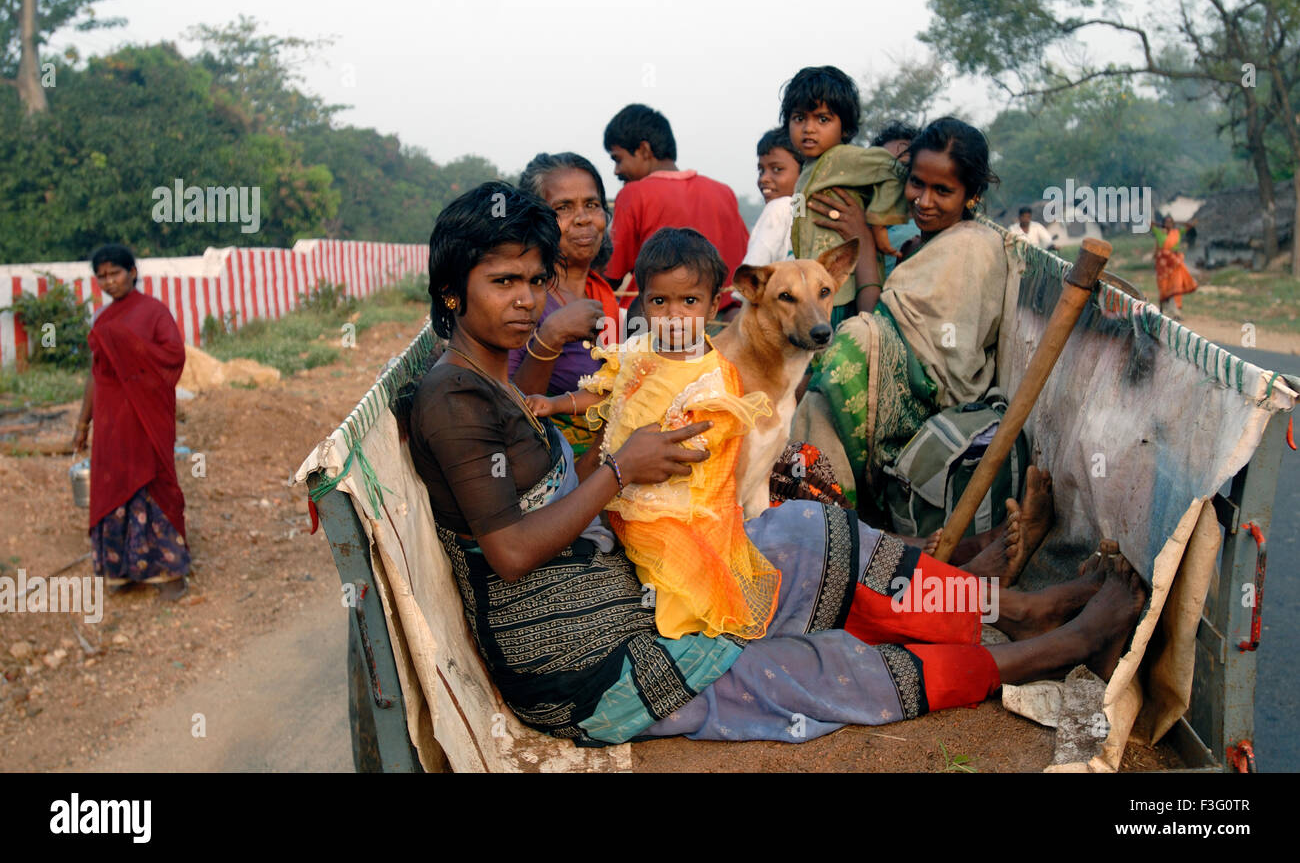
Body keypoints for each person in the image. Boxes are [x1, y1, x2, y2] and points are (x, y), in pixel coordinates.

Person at [408, 181, 1147, 748]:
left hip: (618, 591)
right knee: (826, 669)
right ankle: (1050, 646)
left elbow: (523, 420)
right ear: (452, 291)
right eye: (503, 283)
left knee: (807, 531)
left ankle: (1006, 609)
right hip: (587, 666)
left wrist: (543, 355)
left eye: (535, 282)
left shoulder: (486, 376)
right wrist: (620, 470)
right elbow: (507, 551)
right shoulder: (449, 400)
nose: (526, 300)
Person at [527, 228, 779, 641]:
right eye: (660, 301)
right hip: (614, 482)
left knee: (677, 579)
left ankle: (675, 633)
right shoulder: (638, 348)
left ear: (715, 304)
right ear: (642, 301)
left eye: (690, 302)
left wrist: (660, 455)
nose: (674, 315)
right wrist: (554, 404)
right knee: (589, 528)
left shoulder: (713, 378)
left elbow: (703, 447)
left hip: (672, 503)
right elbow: (604, 391)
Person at [792, 117, 1009, 513]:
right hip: (893, 381)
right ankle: (825, 518)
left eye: (942, 191)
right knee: (819, 391)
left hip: (931, 400)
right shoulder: (923, 243)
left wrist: (863, 246)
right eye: (917, 184)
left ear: (972, 195)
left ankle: (832, 523)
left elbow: (899, 334)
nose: (924, 202)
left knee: (854, 341)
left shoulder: (971, 248)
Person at [72, 245, 190, 600]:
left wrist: (128, 346)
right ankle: (122, 571)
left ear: (133, 272)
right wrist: (83, 424)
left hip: (145, 417)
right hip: (110, 421)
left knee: (153, 482)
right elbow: (95, 374)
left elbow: (173, 357)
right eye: (102, 276)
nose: (110, 282)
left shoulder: (153, 312)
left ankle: (168, 570)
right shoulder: (101, 319)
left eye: (116, 273)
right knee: (113, 487)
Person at [508, 152, 619, 457]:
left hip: (604, 459)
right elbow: (506, 409)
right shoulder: (525, 297)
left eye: (592, 205)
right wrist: (552, 336)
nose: (583, 218)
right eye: (563, 208)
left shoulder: (601, 292)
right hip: (554, 469)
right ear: (535, 221)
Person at [782, 66, 910, 327]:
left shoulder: (842, 158)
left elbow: (892, 168)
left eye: (823, 119)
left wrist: (878, 221)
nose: (809, 129)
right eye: (799, 119)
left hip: (841, 292)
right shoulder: (807, 168)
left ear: (845, 128)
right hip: (817, 290)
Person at [602, 103, 750, 310]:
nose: (617, 171)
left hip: (659, 323)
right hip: (723, 320)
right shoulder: (722, 192)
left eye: (618, 159)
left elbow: (611, 275)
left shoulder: (634, 194)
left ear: (644, 150)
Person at [742, 127, 803, 267]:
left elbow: (751, 275)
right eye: (761, 170)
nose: (763, 178)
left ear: (804, 172)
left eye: (777, 169)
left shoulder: (779, 209)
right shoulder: (803, 209)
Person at [870, 120, 922, 276]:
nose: (889, 175)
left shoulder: (911, 234)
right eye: (881, 166)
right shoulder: (869, 222)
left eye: (901, 167)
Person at [1154, 215, 1198, 318]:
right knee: (1163, 286)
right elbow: (1148, 224)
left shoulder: (1177, 232)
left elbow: (1190, 225)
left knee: (1176, 285)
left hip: (1175, 261)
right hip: (1163, 262)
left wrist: (1176, 222)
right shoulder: (1159, 232)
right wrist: (1161, 224)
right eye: (1167, 222)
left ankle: (1175, 312)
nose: (1168, 224)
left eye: (1170, 222)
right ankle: (1162, 309)